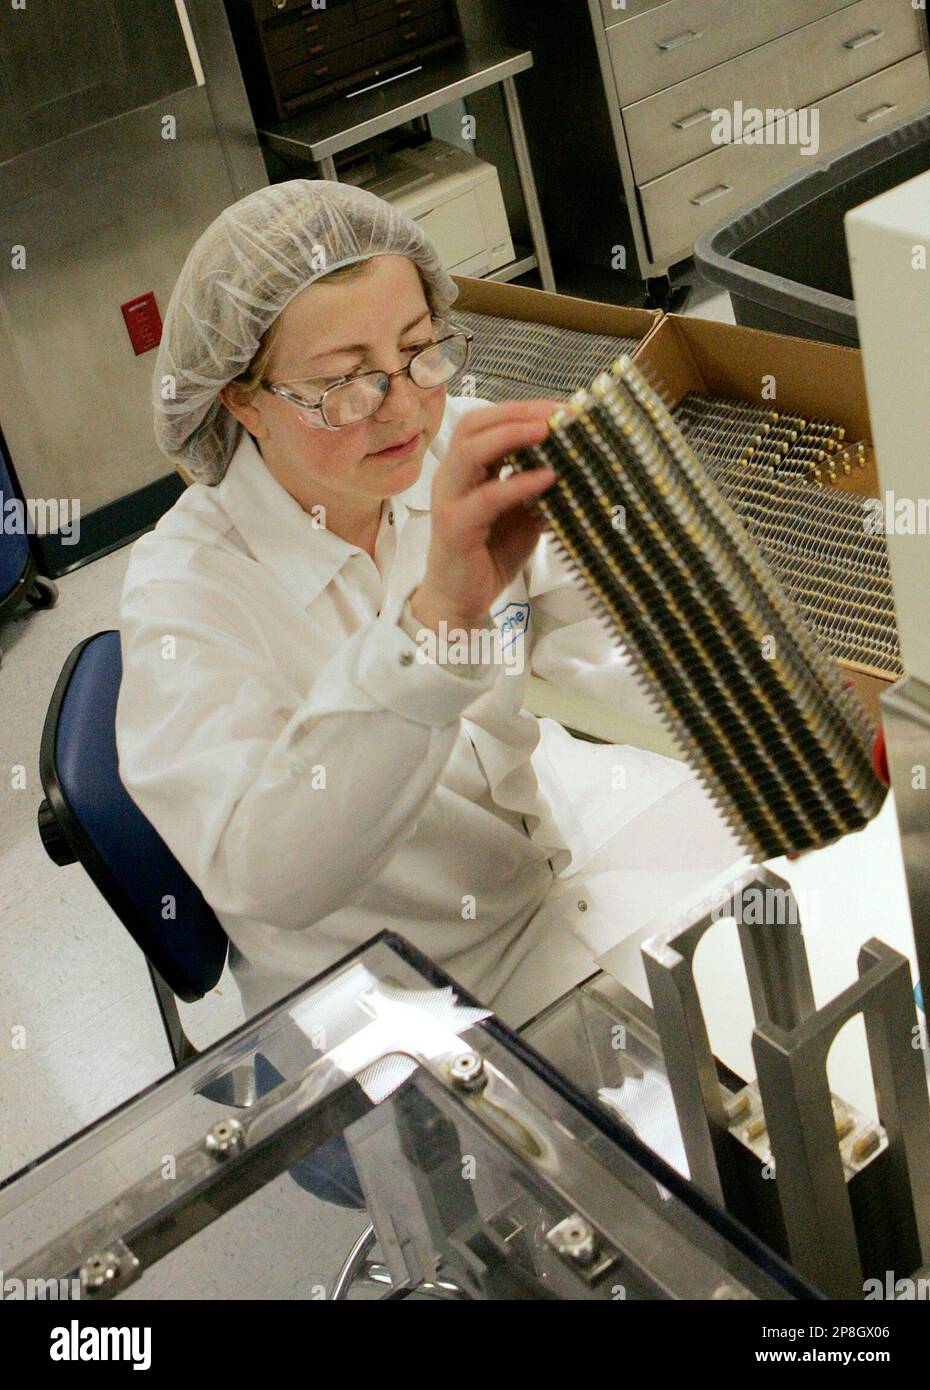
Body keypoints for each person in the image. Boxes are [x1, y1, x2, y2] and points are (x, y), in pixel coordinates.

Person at [115, 179, 742, 1033]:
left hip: (538, 898)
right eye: (345, 383)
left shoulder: (446, 453)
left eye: (419, 351)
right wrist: (435, 626)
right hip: (378, 1007)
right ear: (242, 398)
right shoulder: (188, 596)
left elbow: (605, 641)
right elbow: (268, 876)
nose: (406, 408)